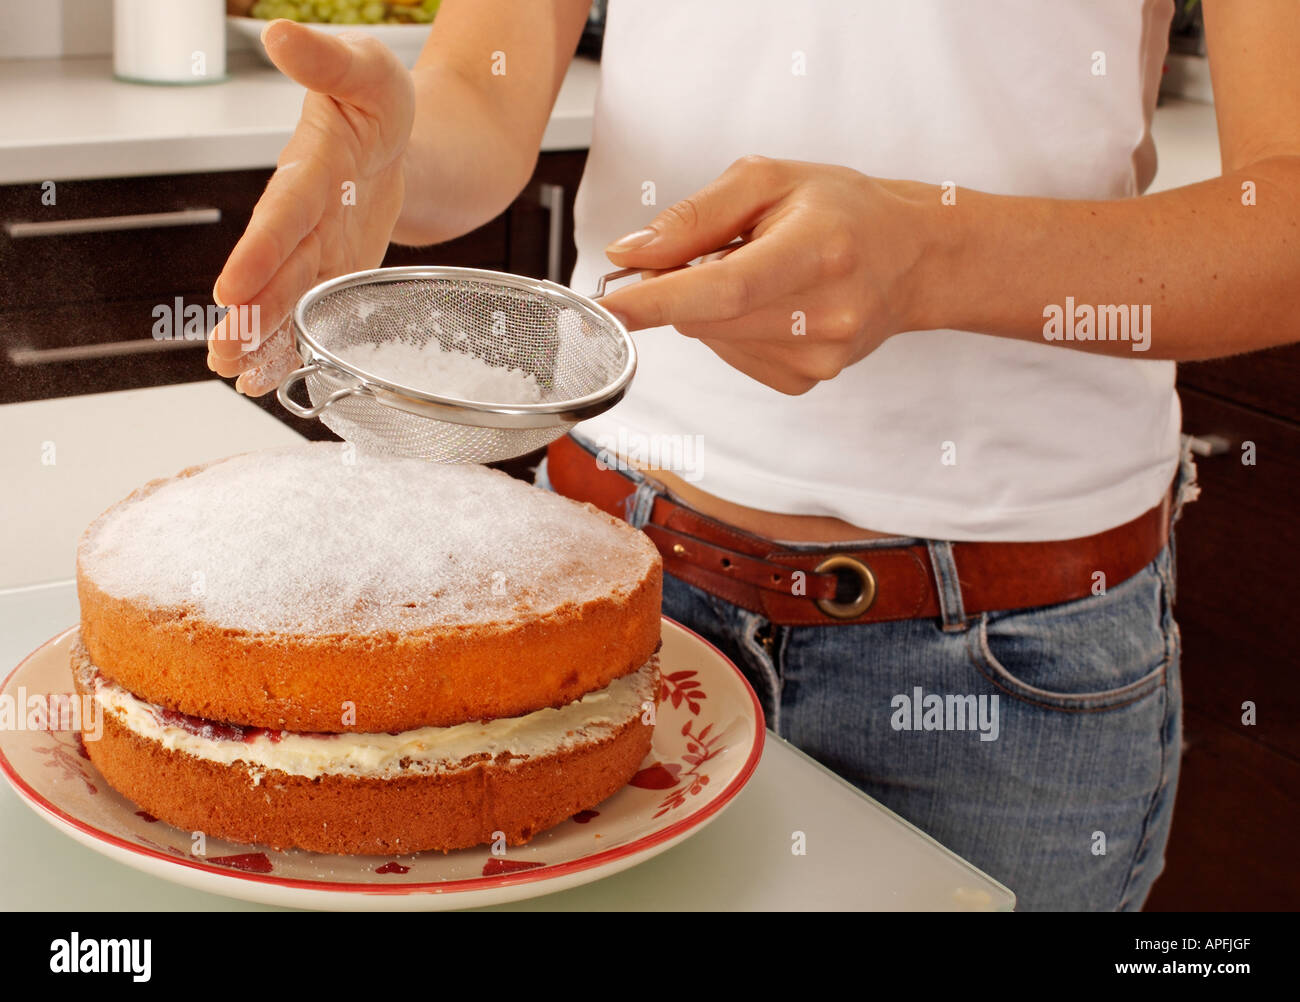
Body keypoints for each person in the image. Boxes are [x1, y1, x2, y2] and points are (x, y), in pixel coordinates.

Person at [206, 1, 1300, 910]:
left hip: (1005, 669)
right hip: (605, 599)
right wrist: (396, 149)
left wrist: (931, 259)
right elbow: (483, 92)